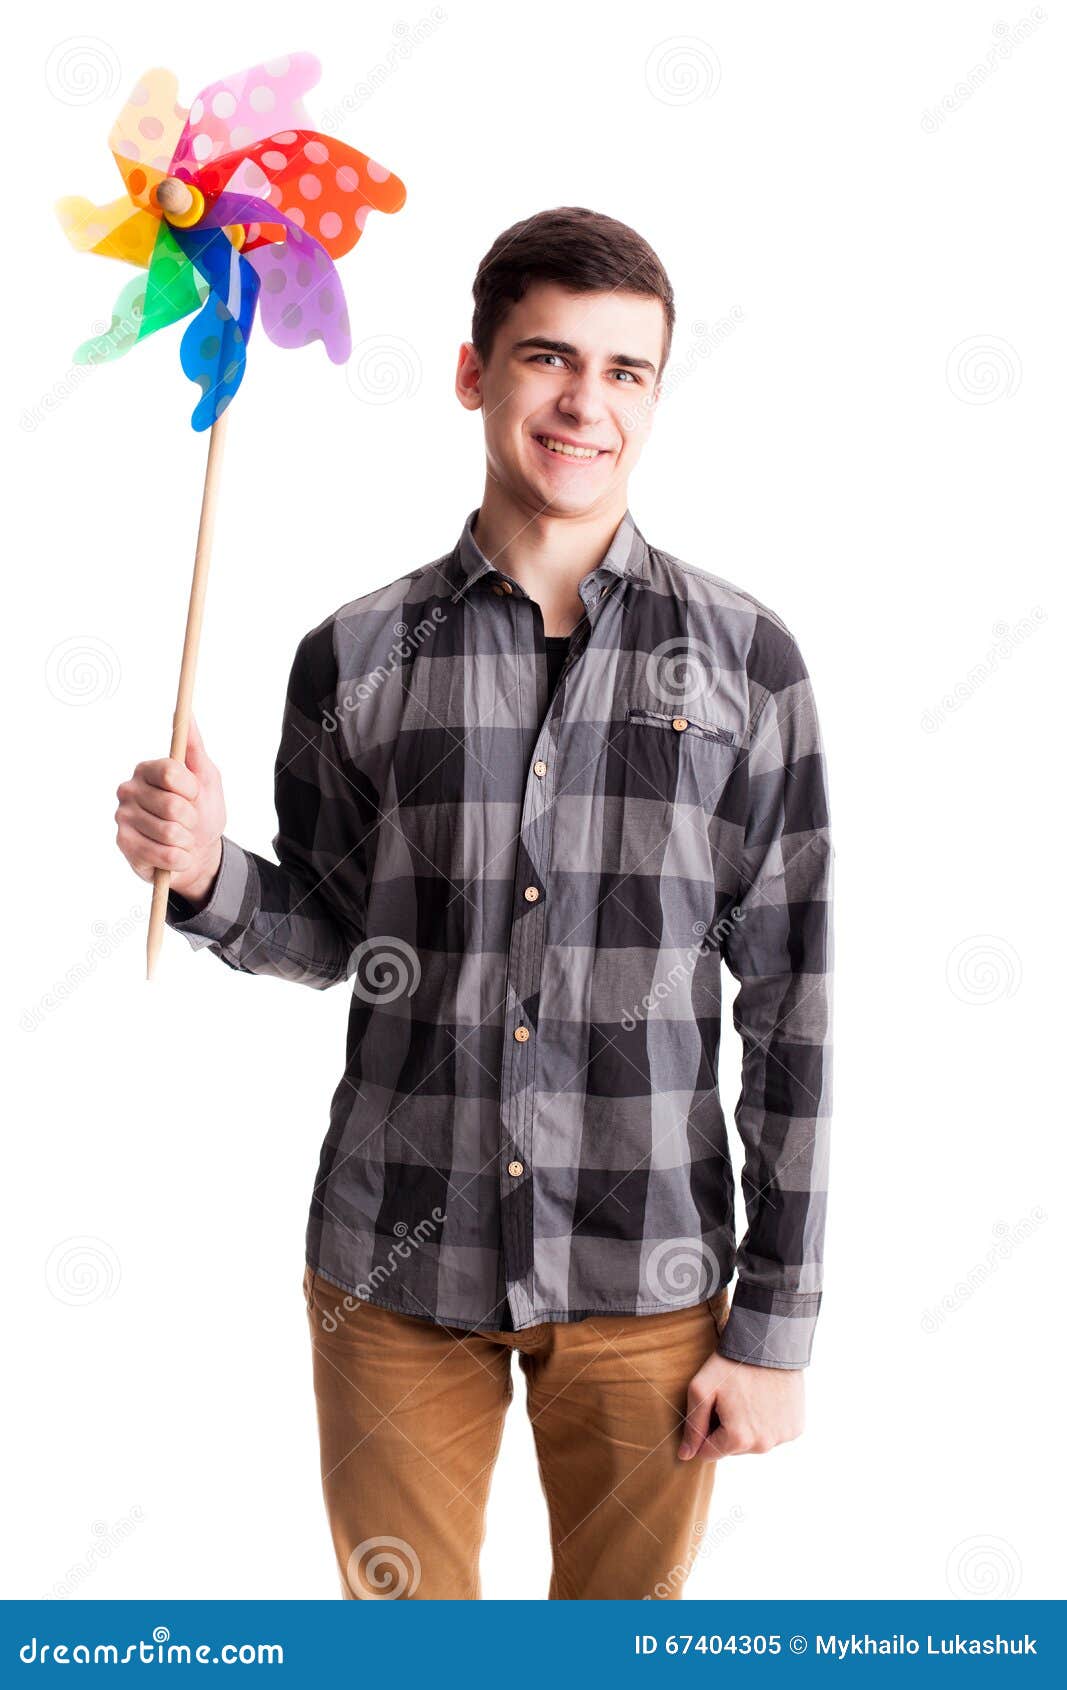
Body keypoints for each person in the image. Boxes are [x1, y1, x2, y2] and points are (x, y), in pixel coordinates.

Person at [114, 206, 834, 1601]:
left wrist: (779, 1323)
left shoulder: (751, 662)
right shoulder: (358, 653)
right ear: (473, 374)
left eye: (626, 372)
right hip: (394, 1268)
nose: (585, 402)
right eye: (549, 358)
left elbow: (798, 1005)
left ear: (655, 398)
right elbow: (326, 925)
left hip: (650, 1277)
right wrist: (208, 874)